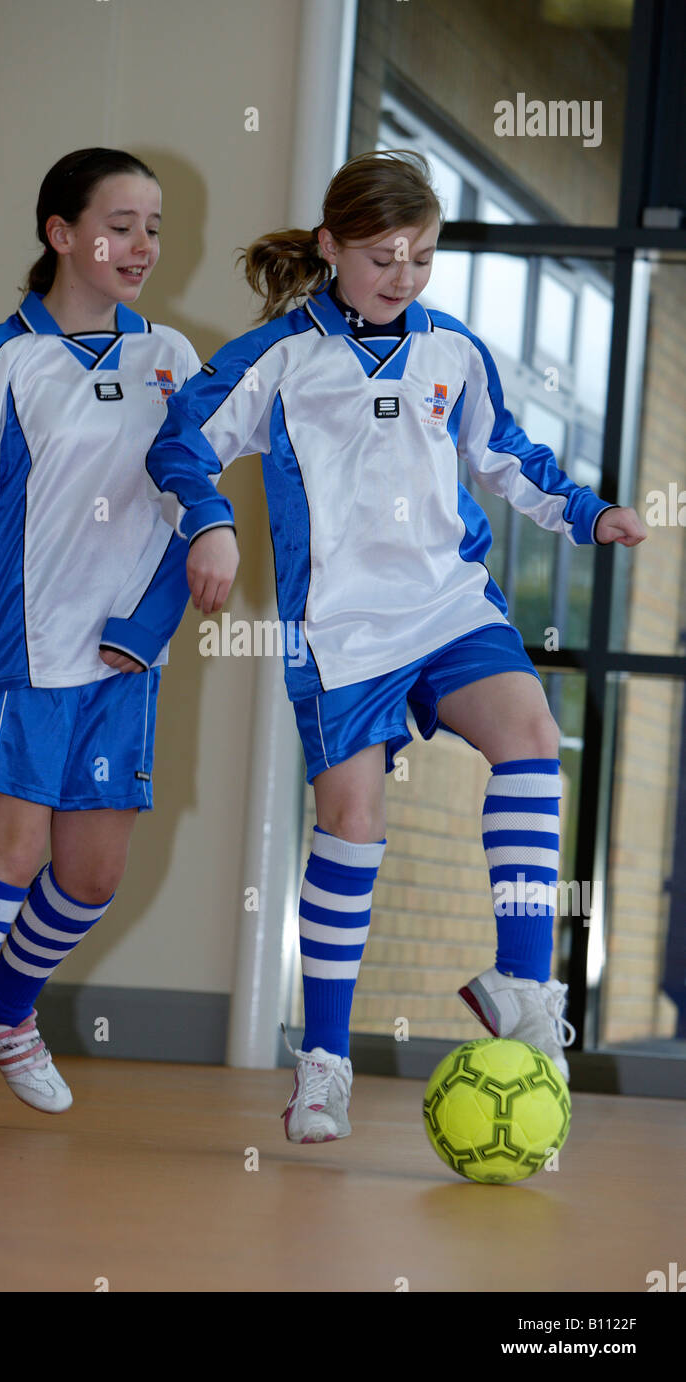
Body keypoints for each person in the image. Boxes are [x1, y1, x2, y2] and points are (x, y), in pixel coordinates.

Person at [137, 149, 646, 1143]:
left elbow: (507, 456)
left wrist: (587, 515)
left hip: (448, 605)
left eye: (418, 258)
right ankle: (322, 1062)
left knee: (531, 733)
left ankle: (521, 978)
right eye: (380, 257)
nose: (402, 276)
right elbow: (177, 443)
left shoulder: (450, 349)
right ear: (329, 247)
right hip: (342, 634)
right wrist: (208, 520)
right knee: (353, 826)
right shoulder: (277, 357)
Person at [0, 147, 201, 1141]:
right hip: (20, 644)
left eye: (153, 225)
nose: (141, 244)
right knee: (11, 853)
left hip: (124, 658)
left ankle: (5, 1011)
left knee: (93, 874)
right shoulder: (5, 357)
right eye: (120, 223)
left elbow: (193, 505)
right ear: (61, 233)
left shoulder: (173, 360)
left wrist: (146, 628)